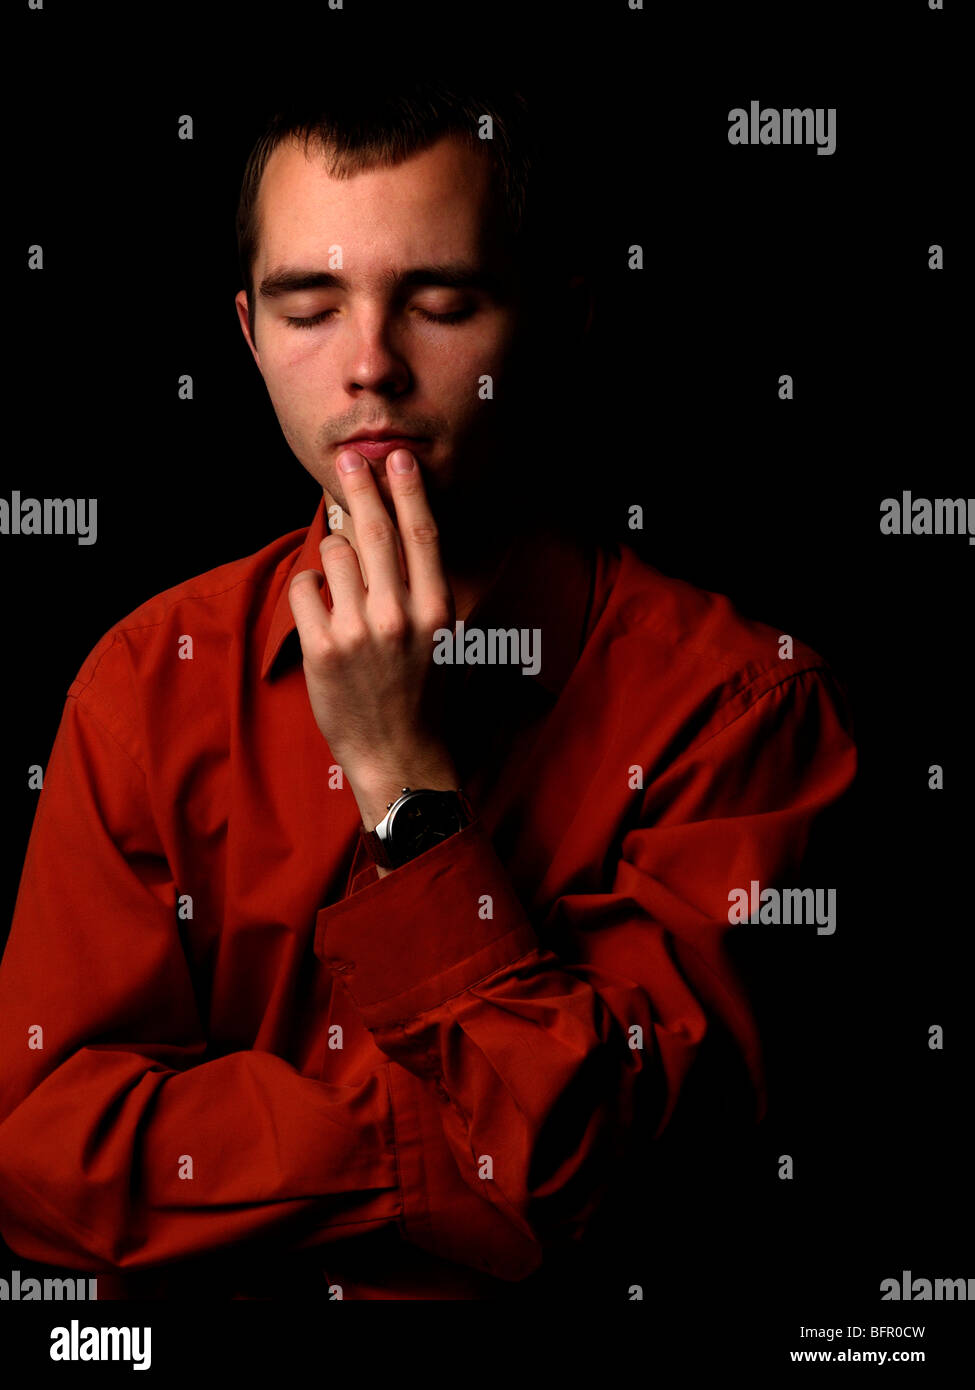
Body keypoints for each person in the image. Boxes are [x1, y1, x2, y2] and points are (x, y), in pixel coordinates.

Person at [0, 83, 856, 1300]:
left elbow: (634, 1188)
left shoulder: (744, 709)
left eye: (441, 302)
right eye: (309, 307)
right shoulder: (144, 680)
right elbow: (43, 1158)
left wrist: (406, 783)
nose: (369, 369)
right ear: (247, 335)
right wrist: (462, 1155)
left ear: (557, 327)